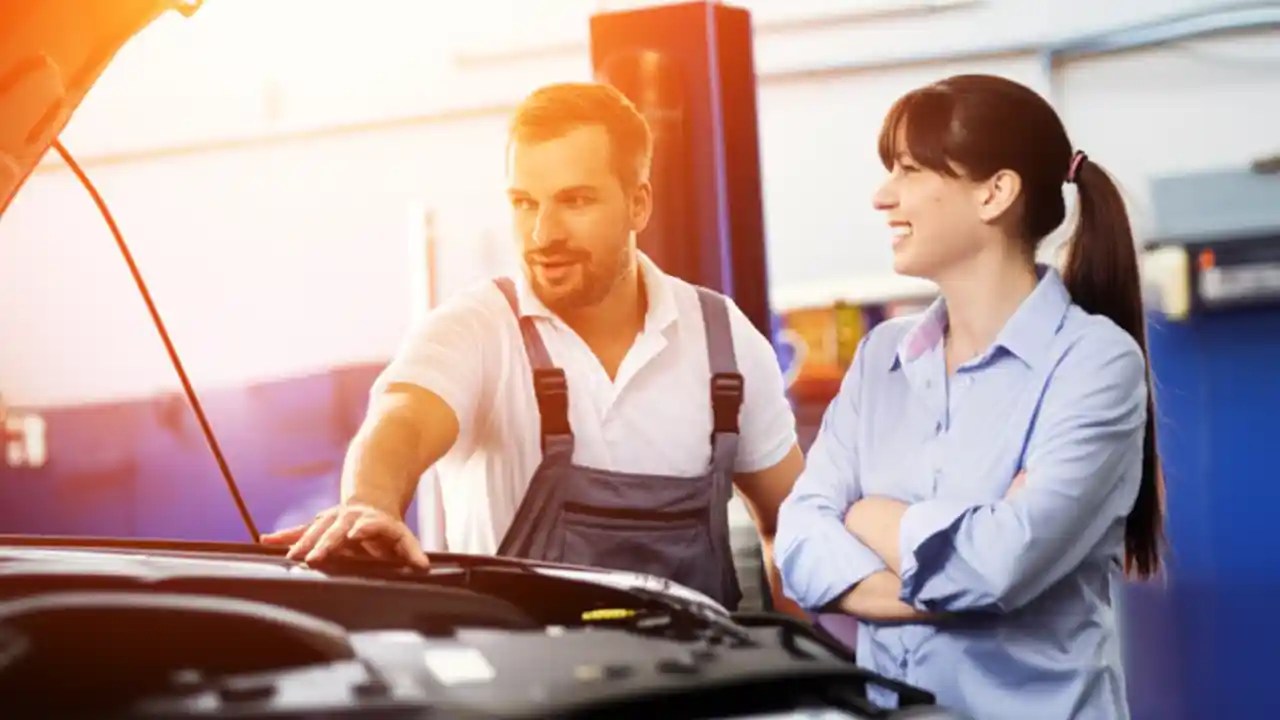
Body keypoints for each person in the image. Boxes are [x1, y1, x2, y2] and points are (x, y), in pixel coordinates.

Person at [262, 81, 806, 617]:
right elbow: (402, 419)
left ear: (638, 204)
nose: (544, 234)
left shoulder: (722, 341)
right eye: (524, 203)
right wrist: (370, 502)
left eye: (575, 201)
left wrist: (809, 669)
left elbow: (792, 528)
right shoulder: (475, 329)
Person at [773, 73, 1165, 719]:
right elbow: (799, 540)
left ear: (995, 193)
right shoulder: (883, 359)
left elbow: (1002, 561)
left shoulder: (1093, 362)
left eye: (907, 169)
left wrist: (870, 519)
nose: (882, 196)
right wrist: (954, 578)